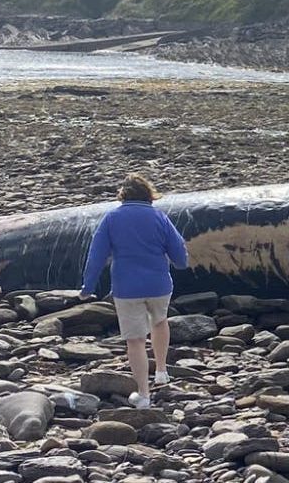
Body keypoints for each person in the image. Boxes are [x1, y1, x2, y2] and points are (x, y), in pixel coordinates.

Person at [79, 173, 189, 409]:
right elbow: (178, 248)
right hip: (159, 285)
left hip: (127, 287)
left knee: (136, 340)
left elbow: (96, 255)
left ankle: (144, 395)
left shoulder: (112, 218)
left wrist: (88, 286)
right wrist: (181, 263)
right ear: (149, 194)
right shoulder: (159, 217)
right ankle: (161, 370)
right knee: (160, 321)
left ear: (123, 195)